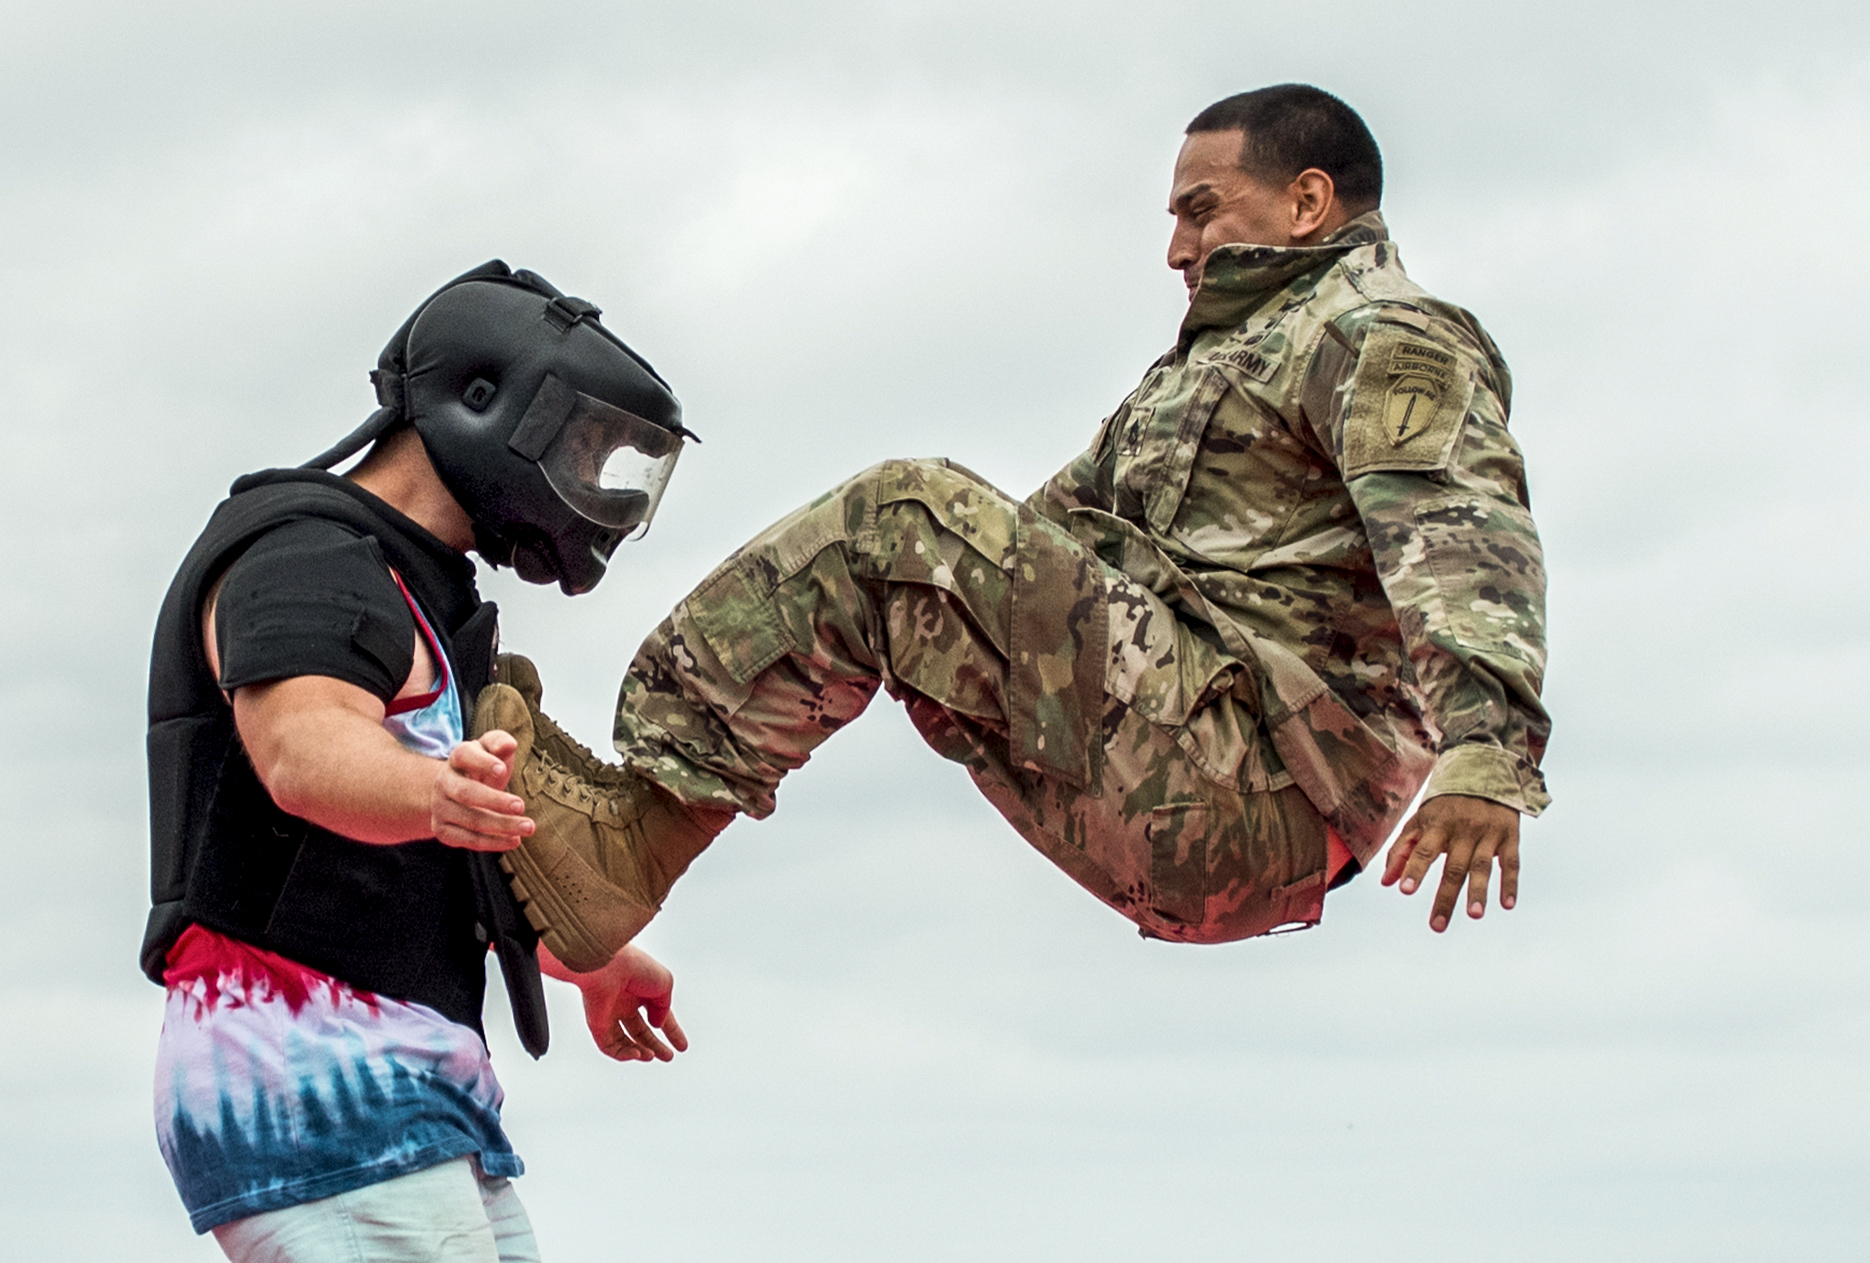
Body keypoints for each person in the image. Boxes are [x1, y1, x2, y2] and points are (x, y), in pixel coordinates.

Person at [483, 82, 1551, 975]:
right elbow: (1049, 539)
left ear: (1307, 200)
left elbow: (1458, 527)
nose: (1176, 248)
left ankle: (631, 845)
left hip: (1252, 780)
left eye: (1201, 208)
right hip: (1185, 763)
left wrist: (1485, 753)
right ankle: (625, 832)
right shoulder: (1215, 363)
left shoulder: (1381, 332)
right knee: (908, 556)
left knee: (900, 517)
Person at [142, 262, 697, 1260]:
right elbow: (303, 745)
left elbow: (417, 865)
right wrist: (429, 790)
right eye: (583, 447)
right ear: (484, 403)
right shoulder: (306, 556)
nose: (596, 491)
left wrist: (591, 961)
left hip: (401, 1093)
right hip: (315, 1089)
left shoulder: (416, 594)